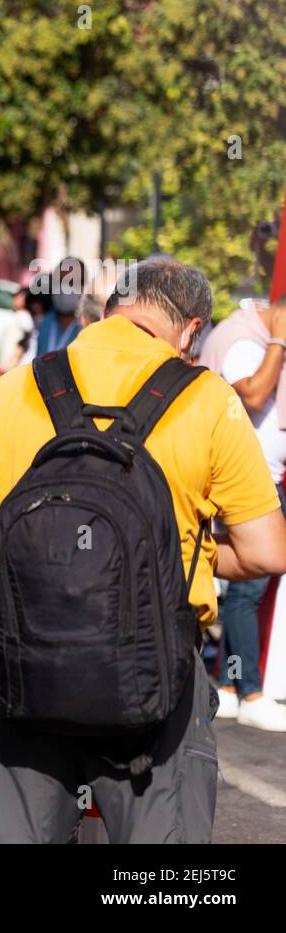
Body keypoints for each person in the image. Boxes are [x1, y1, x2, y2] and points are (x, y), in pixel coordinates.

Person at [0, 256, 286, 843]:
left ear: (114, 307)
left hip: (28, 668)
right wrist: (178, 554)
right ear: (192, 329)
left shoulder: (16, 387)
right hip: (155, 673)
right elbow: (268, 552)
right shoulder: (208, 399)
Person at [198, 297, 286, 731]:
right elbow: (252, 392)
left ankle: (232, 686)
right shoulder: (247, 339)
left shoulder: (255, 335)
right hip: (249, 483)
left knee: (245, 590)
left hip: (259, 479)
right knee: (248, 590)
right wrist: (279, 339)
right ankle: (248, 690)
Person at [34, 257, 85, 354]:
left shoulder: (88, 328)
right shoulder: (44, 323)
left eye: (71, 282)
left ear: (82, 286)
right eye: (61, 282)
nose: (64, 288)